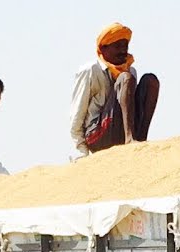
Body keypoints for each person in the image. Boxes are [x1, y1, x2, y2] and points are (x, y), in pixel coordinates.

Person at [69, 22, 161, 157]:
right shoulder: (91, 71)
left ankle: (140, 140)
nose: (123, 51)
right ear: (104, 48)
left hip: (119, 131)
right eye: (118, 46)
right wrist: (82, 151)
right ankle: (130, 139)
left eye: (125, 46)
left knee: (150, 80)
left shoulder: (130, 70)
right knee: (126, 78)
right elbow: (77, 112)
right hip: (97, 136)